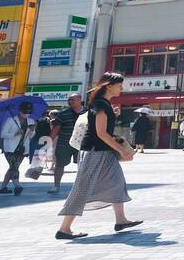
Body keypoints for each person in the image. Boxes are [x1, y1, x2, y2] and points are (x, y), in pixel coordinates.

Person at [56, 72, 142, 239]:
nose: (121, 88)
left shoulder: (104, 105)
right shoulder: (101, 105)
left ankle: (121, 220)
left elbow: (101, 126)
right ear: (109, 85)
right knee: (83, 188)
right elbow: (101, 133)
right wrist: (122, 149)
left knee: (117, 182)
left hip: (103, 151)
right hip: (94, 151)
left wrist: (112, 115)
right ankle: (64, 229)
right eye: (119, 85)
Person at [0, 101, 35, 195]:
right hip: (10, 148)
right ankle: (17, 185)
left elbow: (31, 136)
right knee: (14, 167)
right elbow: (3, 134)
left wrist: (32, 131)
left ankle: (3, 188)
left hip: (22, 148)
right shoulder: (10, 120)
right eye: (24, 111)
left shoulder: (31, 121)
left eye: (29, 112)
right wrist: (15, 134)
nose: (26, 114)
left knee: (13, 167)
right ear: (19, 111)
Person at [50, 94, 84, 193]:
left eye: (72, 100)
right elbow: (56, 128)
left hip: (81, 144)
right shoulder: (63, 113)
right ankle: (56, 186)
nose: (70, 102)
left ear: (79, 100)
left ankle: (82, 187)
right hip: (64, 143)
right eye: (69, 100)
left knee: (83, 165)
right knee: (59, 165)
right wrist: (49, 141)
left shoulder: (87, 112)